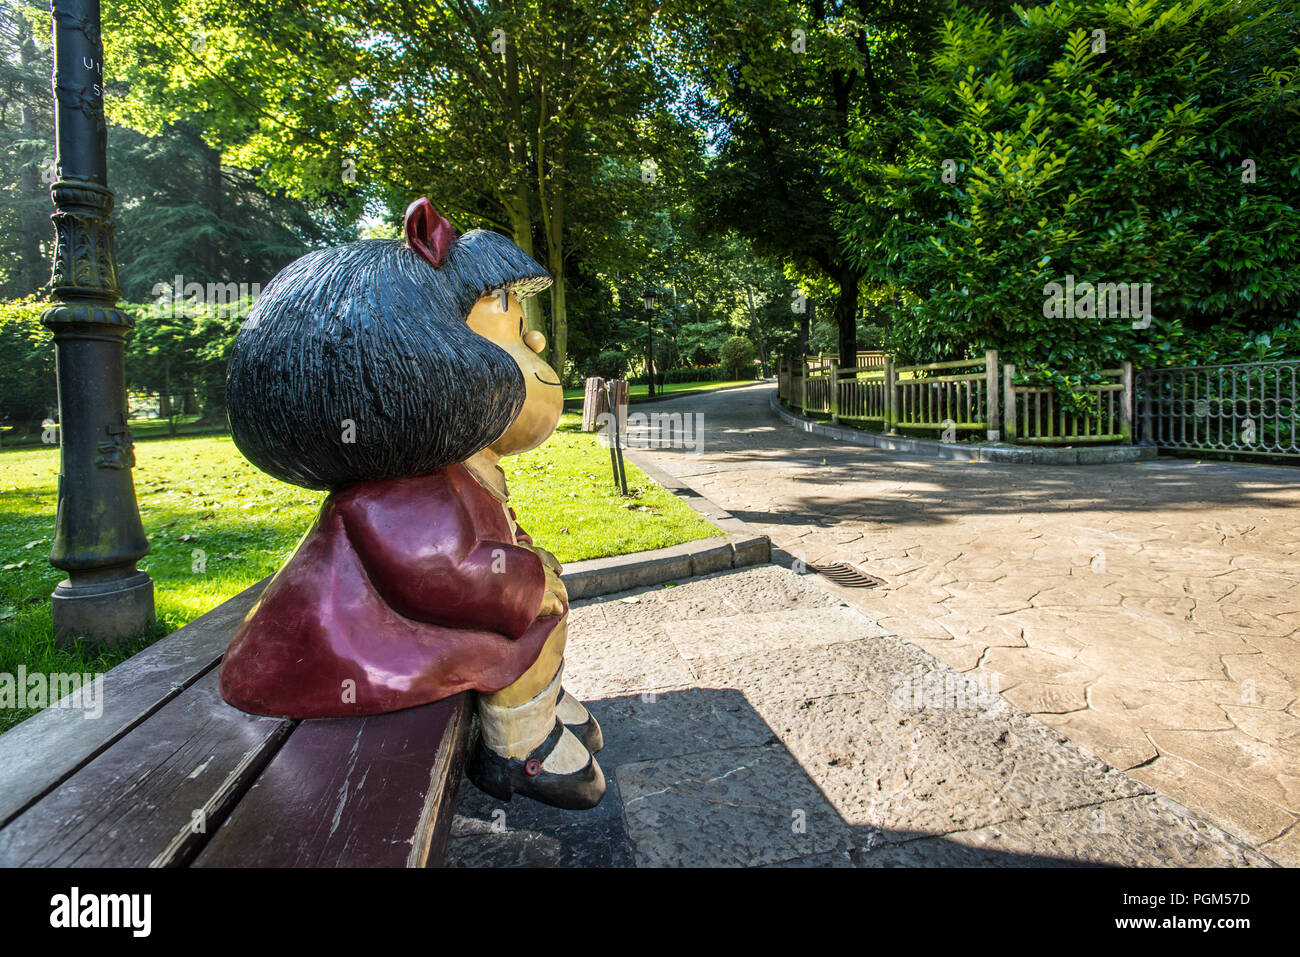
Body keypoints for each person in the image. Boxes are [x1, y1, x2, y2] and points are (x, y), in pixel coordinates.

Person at [218, 198, 604, 810]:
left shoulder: (450, 469)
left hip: (366, 638)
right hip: (344, 657)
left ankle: (542, 705)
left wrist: (528, 560)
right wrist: (529, 581)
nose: (533, 336)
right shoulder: (404, 491)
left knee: (541, 607)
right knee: (528, 626)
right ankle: (518, 750)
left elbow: (483, 544)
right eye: (506, 320)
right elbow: (440, 576)